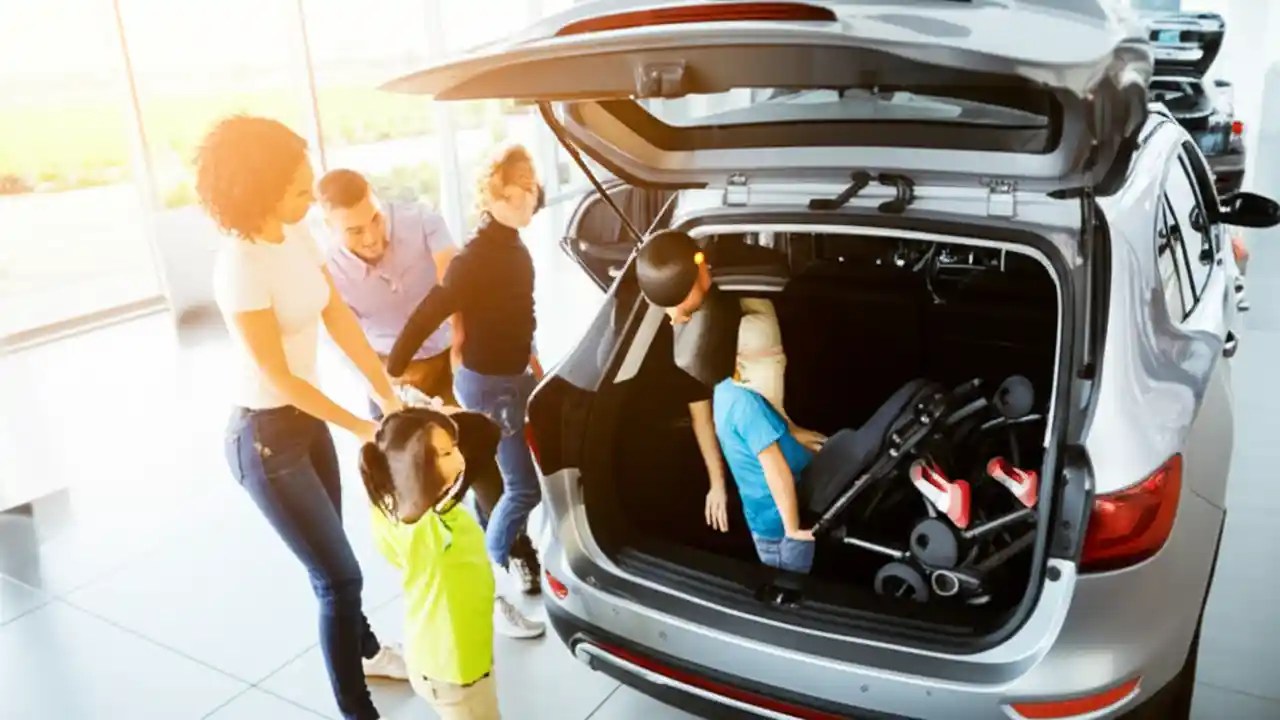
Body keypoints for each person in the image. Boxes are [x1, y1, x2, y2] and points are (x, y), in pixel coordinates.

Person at [201, 115, 406, 720]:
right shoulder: (240, 265)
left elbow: (336, 314)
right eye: (297, 188)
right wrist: (363, 427)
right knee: (338, 579)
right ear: (260, 191)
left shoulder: (295, 236)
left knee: (336, 555)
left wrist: (385, 392)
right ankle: (357, 710)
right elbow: (278, 377)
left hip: (306, 424)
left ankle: (367, 650)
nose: (308, 197)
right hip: (265, 439)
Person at [385, 143, 545, 597]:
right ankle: (493, 561)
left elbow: (521, 312)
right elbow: (432, 309)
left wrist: (531, 359)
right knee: (524, 489)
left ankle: (489, 538)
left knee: (502, 473)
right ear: (491, 196)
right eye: (516, 191)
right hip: (491, 386)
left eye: (531, 187)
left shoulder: (512, 245)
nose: (528, 198)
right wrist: (396, 365)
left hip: (514, 375)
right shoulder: (474, 259)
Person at [634, 230, 821, 534]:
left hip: (756, 353)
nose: (676, 318)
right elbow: (701, 412)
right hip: (752, 367)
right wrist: (717, 484)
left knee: (775, 433)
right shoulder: (689, 339)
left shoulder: (724, 287)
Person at [359, 406, 508, 720]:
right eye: (445, 452)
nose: (459, 458)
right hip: (457, 673)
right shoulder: (431, 532)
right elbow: (484, 433)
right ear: (413, 467)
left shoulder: (386, 507)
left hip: (432, 656)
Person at [318, 169, 459, 413]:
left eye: (376, 218)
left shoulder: (423, 220)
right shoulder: (328, 273)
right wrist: (385, 388)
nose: (371, 237)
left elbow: (454, 287)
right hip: (387, 375)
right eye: (355, 231)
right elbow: (343, 345)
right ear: (329, 226)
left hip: (450, 357)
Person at [712, 309, 819, 574]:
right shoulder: (747, 405)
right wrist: (793, 531)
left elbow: (779, 432)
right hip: (780, 528)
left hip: (768, 517)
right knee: (791, 584)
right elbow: (776, 471)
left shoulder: (725, 390)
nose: (779, 365)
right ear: (741, 364)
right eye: (770, 361)